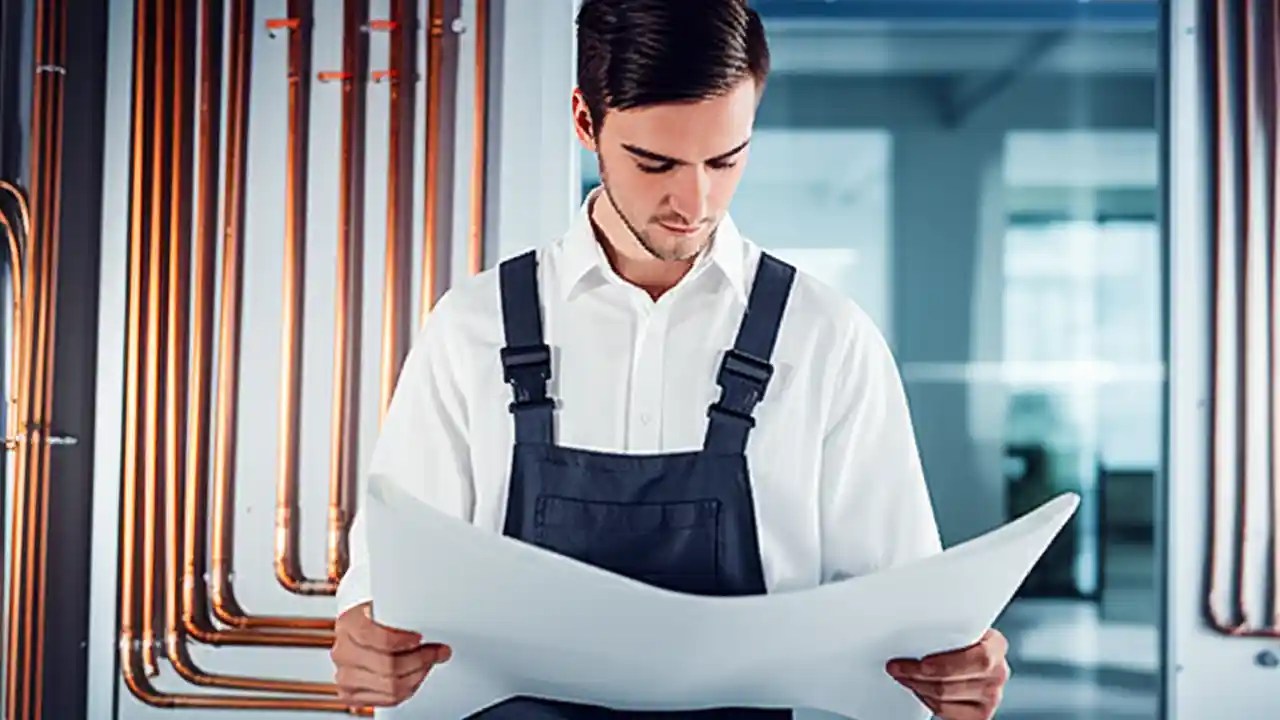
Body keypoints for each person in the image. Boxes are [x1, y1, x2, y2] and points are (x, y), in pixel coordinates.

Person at [331, 0, 1010, 717]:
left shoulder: (828, 340)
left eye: (726, 159)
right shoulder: (471, 330)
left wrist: (951, 666)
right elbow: (389, 586)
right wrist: (370, 641)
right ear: (586, 121)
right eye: (655, 162)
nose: (694, 200)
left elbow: (903, 614)